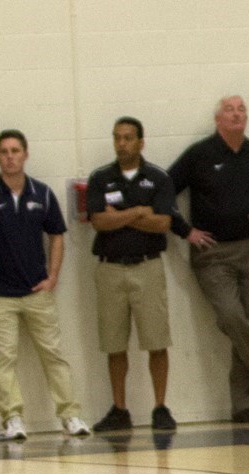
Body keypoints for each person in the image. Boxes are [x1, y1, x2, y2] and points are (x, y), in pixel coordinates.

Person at [168, 95, 249, 424]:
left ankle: (243, 406)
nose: (237, 115)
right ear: (218, 119)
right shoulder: (200, 154)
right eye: (230, 110)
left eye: (242, 110)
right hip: (212, 254)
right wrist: (185, 230)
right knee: (233, 319)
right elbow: (165, 191)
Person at [0, 129, 87, 439]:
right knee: (5, 359)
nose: (10, 157)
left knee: (54, 355)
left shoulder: (42, 193)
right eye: (4, 152)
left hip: (37, 291)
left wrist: (53, 277)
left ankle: (70, 416)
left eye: (15, 151)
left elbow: (57, 235)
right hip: (0, 296)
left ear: (25, 154)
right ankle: (13, 420)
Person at [87, 116, 178, 432]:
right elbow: (98, 221)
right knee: (114, 344)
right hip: (110, 267)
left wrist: (121, 216)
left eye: (127, 138)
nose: (121, 143)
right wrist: (139, 212)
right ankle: (119, 409)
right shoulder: (100, 178)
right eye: (117, 138)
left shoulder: (158, 178)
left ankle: (160, 407)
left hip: (148, 266)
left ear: (141, 142)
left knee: (156, 341)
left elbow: (163, 223)